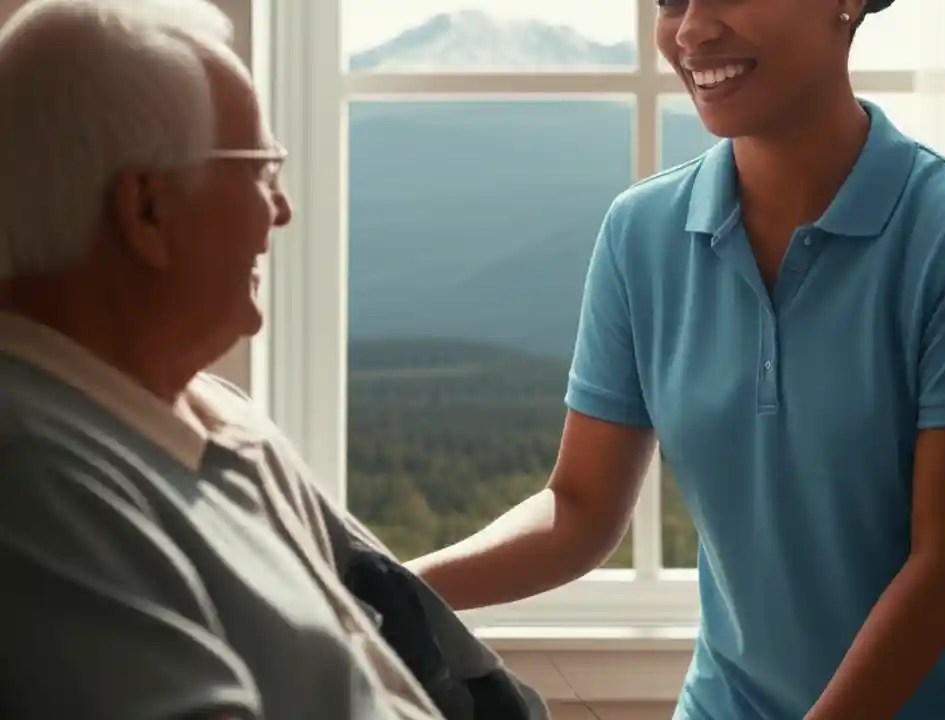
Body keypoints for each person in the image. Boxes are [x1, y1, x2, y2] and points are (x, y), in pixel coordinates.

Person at [411, 1, 945, 718]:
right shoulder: (640, 234)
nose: (692, 29)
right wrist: (383, 590)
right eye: (671, 0)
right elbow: (578, 509)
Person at [0, 2, 543, 718]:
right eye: (261, 171)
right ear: (147, 210)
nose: (281, 211)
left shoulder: (219, 417)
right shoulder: (36, 486)